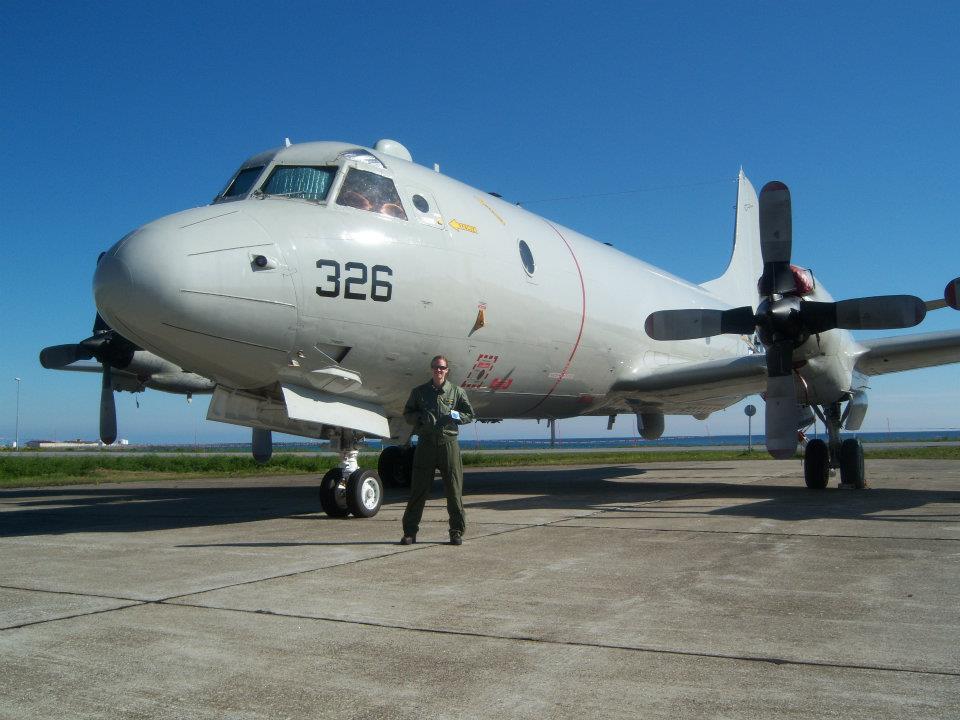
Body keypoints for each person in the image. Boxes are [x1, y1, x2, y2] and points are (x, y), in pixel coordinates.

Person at [400, 355, 474, 546]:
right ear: (431, 369)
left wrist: (453, 415)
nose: (438, 371)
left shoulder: (456, 392)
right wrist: (421, 417)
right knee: (418, 490)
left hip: (449, 444)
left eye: (442, 368)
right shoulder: (419, 392)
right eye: (435, 367)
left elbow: (469, 415)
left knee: (454, 491)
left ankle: (456, 531)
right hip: (426, 444)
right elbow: (407, 414)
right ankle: (410, 532)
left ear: (447, 370)